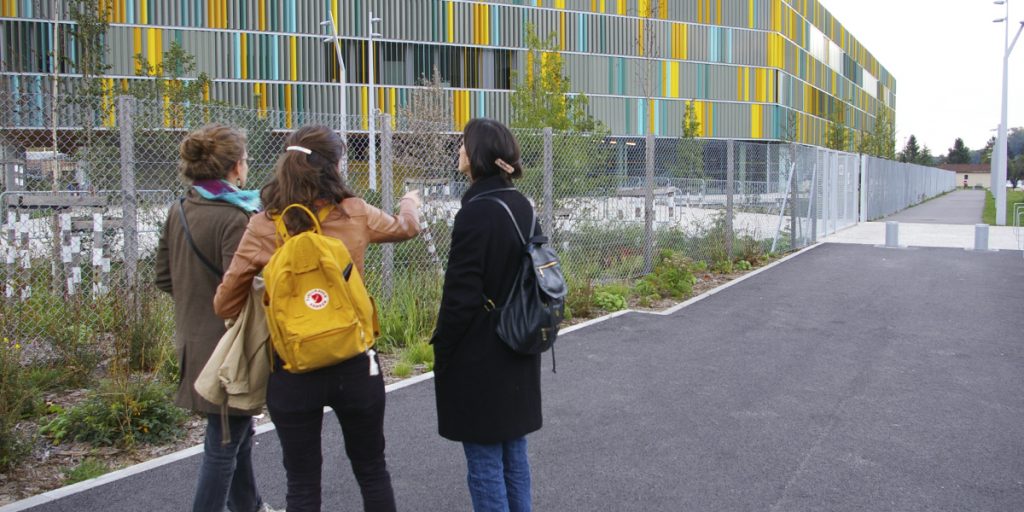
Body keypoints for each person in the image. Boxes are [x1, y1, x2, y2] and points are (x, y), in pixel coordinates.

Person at [213, 125, 422, 512]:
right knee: (372, 470)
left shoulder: (262, 225)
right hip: (355, 364)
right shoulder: (354, 212)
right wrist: (410, 201)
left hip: (292, 369)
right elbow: (406, 227)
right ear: (335, 166)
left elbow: (224, 304)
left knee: (302, 484)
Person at [155, 124, 273, 512]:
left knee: (235, 433)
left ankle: (251, 507)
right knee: (223, 444)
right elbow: (239, 288)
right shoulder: (238, 217)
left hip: (193, 344)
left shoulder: (180, 209)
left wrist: (195, 302)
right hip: (230, 350)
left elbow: (163, 277)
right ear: (236, 167)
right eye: (246, 160)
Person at [431, 118, 542, 512]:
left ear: (477, 155)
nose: (458, 151)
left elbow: (460, 298)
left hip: (481, 353)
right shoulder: (521, 205)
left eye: (463, 144)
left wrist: (441, 350)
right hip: (519, 341)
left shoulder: (475, 213)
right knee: (514, 453)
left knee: (483, 462)